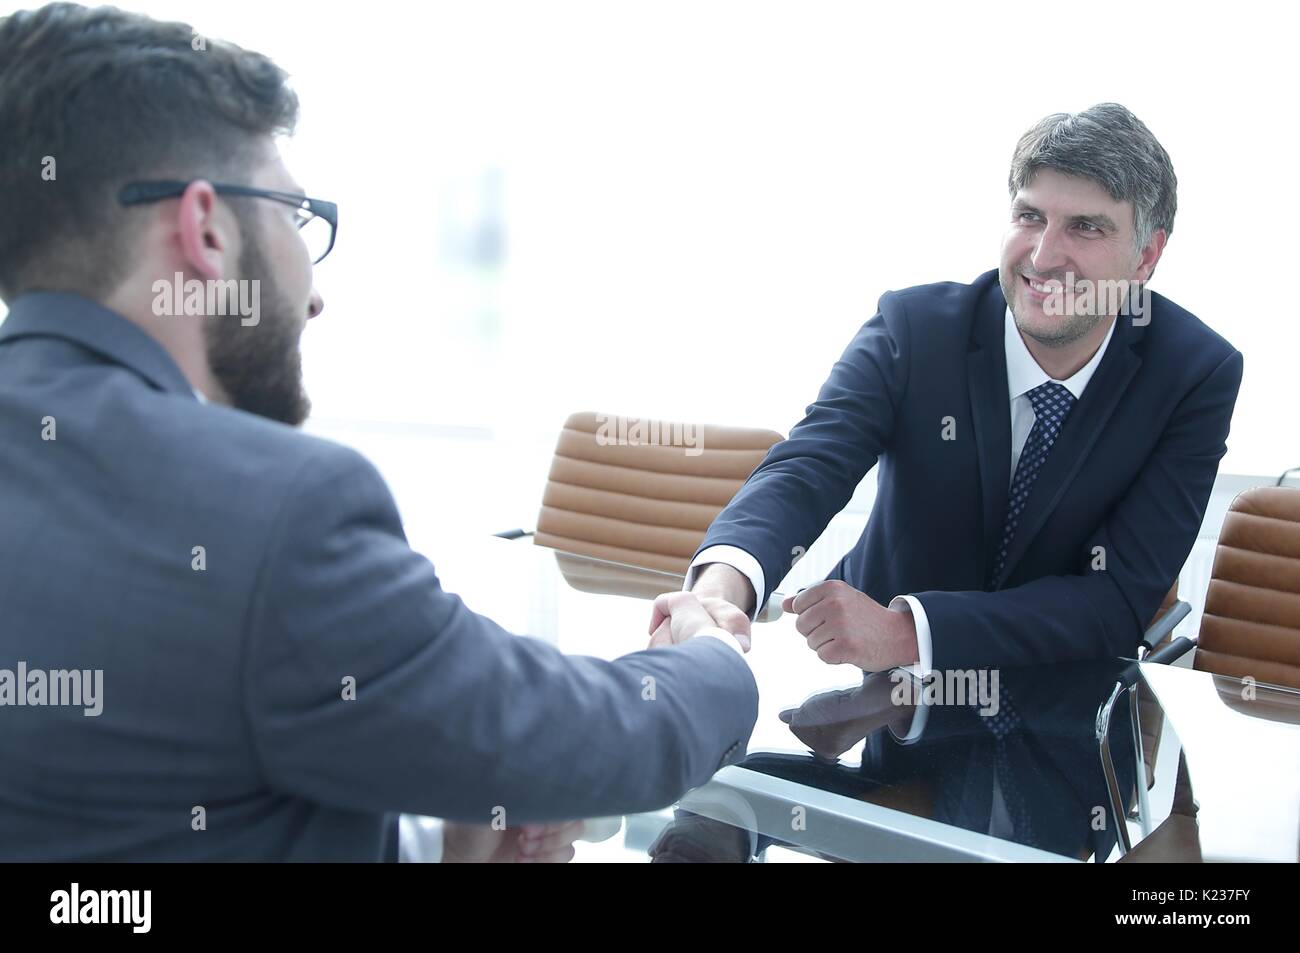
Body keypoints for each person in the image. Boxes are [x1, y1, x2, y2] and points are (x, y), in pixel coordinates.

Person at [0, 2, 757, 862]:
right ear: (206, 230)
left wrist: (439, 845)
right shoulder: (274, 513)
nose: (314, 294)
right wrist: (714, 662)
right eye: (293, 214)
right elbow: (599, 735)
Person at [670, 103, 1242, 679]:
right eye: (1030, 216)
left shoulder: (1193, 374)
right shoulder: (916, 329)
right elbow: (809, 464)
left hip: (1058, 703)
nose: (1043, 257)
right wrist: (724, 586)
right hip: (867, 691)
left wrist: (910, 632)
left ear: (1146, 255)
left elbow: (1118, 598)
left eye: (1086, 227)